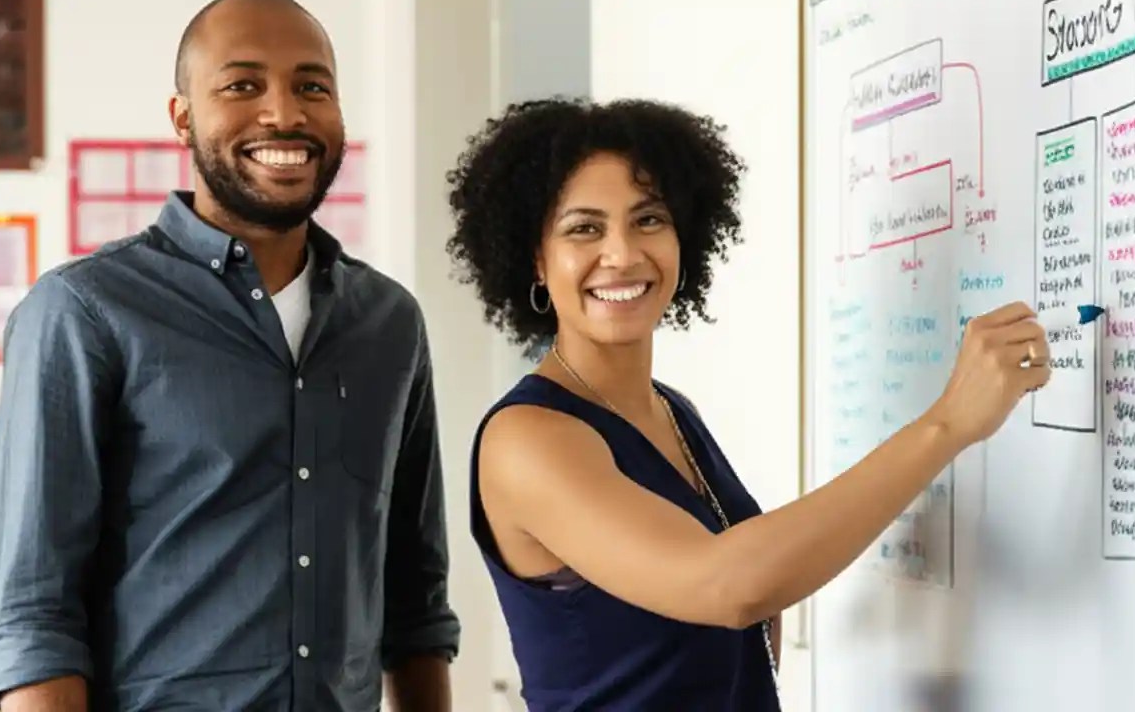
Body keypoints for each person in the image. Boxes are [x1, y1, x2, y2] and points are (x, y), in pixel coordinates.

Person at [444, 97, 1052, 711]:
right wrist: (946, 424)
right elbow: (729, 585)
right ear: (536, 261)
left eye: (649, 219)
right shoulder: (526, 440)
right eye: (584, 228)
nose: (623, 254)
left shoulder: (673, 412)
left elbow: (750, 620)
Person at [0, 0, 458, 710]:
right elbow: (33, 615)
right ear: (182, 118)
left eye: (312, 86)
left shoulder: (389, 323)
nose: (283, 114)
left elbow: (415, 602)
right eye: (243, 85)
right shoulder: (84, 312)